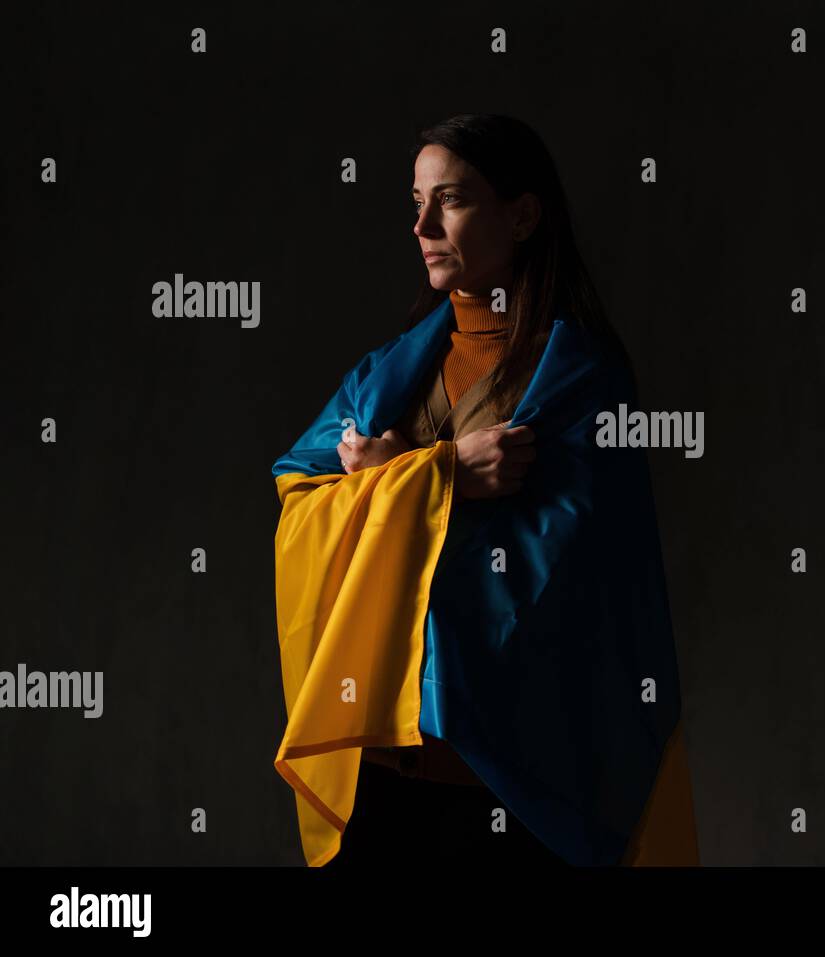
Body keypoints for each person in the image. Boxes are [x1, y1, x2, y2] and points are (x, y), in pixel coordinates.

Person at [270, 114, 699, 868]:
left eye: (452, 200)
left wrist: (394, 481)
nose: (423, 224)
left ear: (523, 215)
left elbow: (554, 579)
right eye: (416, 201)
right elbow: (298, 502)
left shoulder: (580, 384)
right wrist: (443, 474)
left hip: (508, 793)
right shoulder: (384, 380)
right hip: (382, 773)